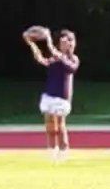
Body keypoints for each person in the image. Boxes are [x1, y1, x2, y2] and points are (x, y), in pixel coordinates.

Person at [24, 27, 80, 163]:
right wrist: (31, 44)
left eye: (71, 41)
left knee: (60, 125)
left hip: (62, 98)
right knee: (50, 125)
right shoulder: (55, 57)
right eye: (66, 41)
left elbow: (68, 66)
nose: (69, 43)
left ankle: (64, 150)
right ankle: (51, 150)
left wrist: (48, 41)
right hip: (49, 95)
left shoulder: (73, 59)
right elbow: (42, 60)